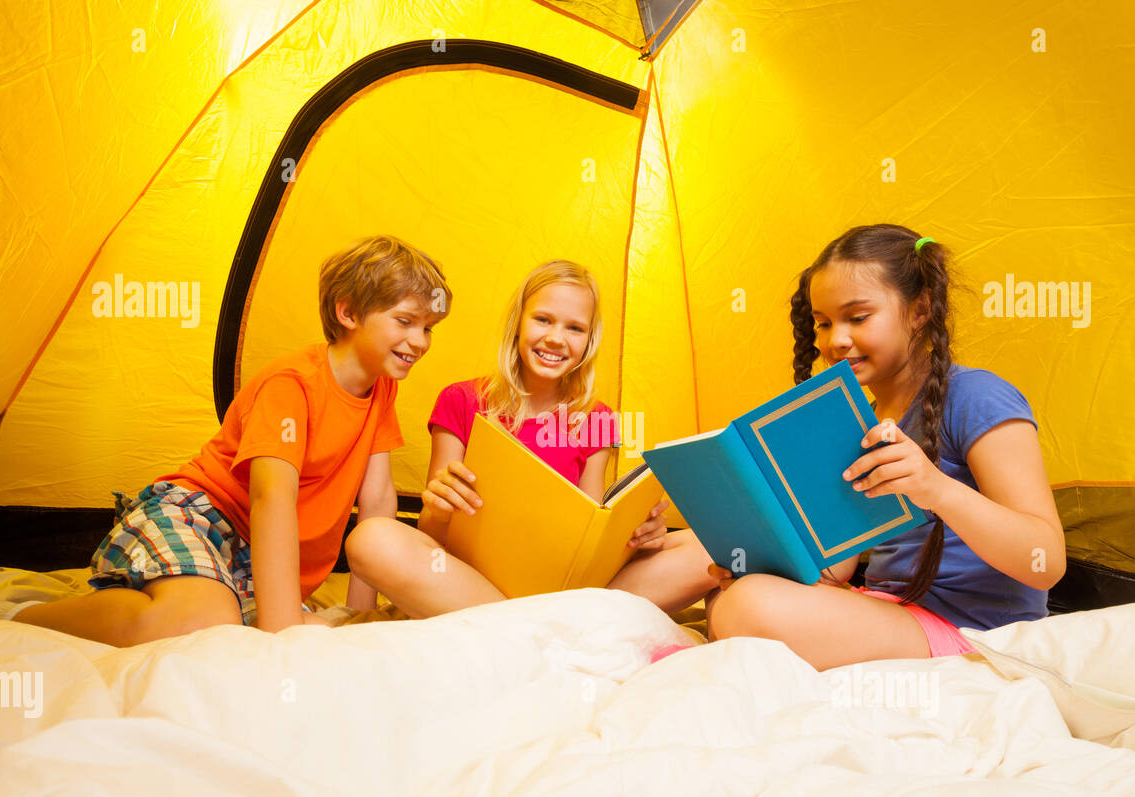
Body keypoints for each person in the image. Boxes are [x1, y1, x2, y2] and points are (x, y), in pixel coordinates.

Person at [0, 235, 450, 646]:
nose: (420, 342)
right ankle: (32, 618)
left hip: (256, 554)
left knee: (280, 630)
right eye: (405, 322)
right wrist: (282, 627)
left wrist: (355, 618)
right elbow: (270, 497)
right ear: (348, 313)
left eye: (428, 327)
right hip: (198, 515)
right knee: (202, 621)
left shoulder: (380, 389)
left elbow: (378, 501)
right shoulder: (293, 384)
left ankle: (192, 598)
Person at [705, 225, 1064, 670]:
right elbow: (839, 569)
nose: (835, 339)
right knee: (731, 598)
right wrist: (763, 564)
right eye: (823, 322)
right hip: (890, 610)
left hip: (975, 631)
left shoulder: (978, 397)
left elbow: (1046, 561)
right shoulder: (859, 419)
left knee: (751, 607)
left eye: (857, 318)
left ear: (919, 310)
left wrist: (936, 489)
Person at [346, 259, 718, 619]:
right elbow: (431, 531)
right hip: (470, 583)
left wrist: (636, 538)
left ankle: (529, 628)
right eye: (543, 320)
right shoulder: (461, 400)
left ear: (589, 340)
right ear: (519, 324)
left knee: (714, 546)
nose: (556, 339)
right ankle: (538, 630)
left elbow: (587, 540)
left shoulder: (598, 418)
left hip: (564, 592)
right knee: (371, 539)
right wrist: (439, 504)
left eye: (575, 328)